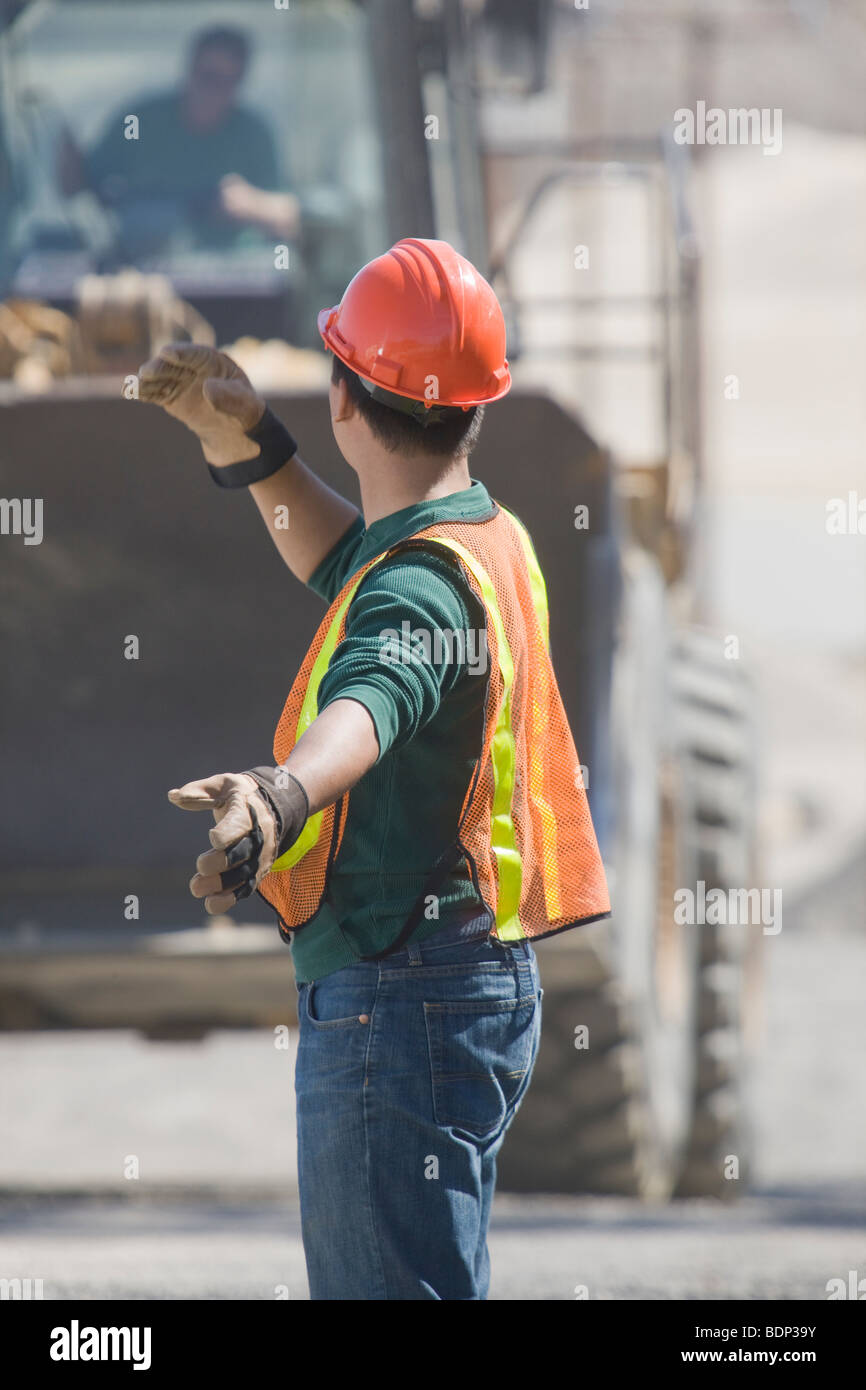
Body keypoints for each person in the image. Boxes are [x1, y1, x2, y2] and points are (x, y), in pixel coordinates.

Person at [138, 237, 610, 1300]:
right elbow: (352, 565)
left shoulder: (417, 589)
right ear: (474, 407)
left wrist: (279, 794)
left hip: (398, 997)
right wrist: (253, 446)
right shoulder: (478, 540)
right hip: (467, 977)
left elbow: (369, 701)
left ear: (344, 399)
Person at [81, 26, 299, 255]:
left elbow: (289, 215)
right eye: (208, 77)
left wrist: (251, 204)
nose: (213, 91)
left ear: (240, 81)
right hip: (143, 268)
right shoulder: (141, 121)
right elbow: (82, 185)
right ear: (190, 70)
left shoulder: (254, 132)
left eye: (226, 81)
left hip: (235, 271)